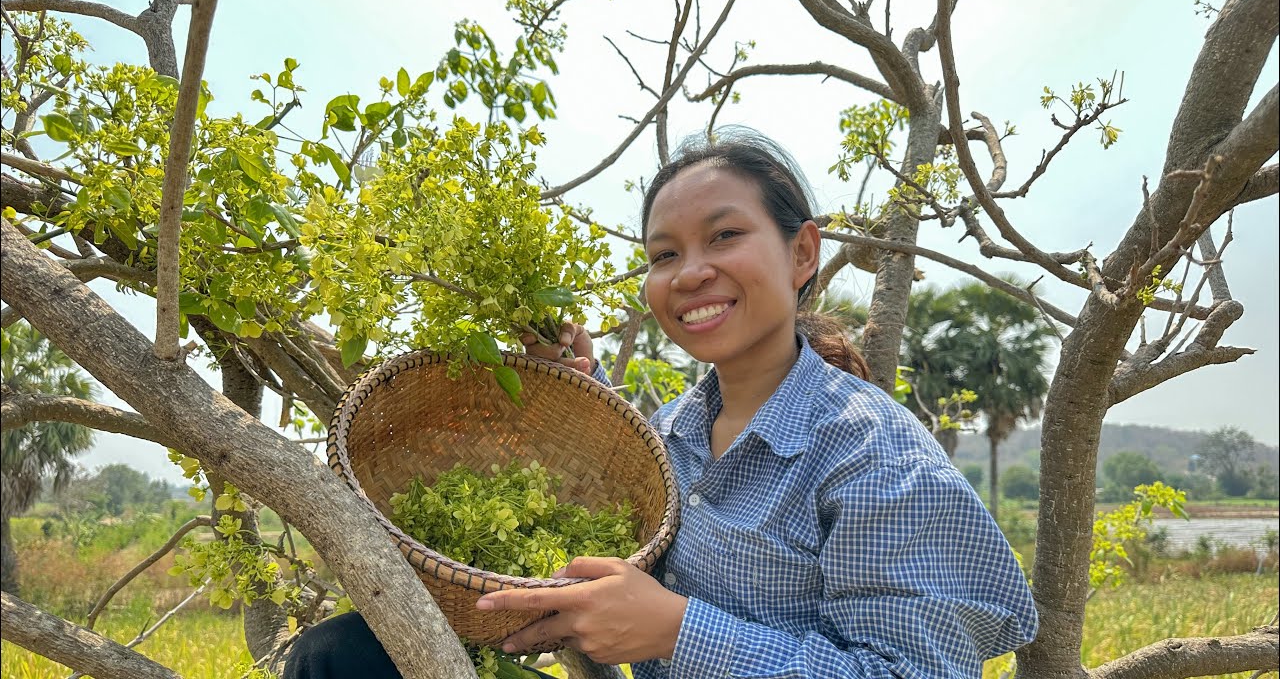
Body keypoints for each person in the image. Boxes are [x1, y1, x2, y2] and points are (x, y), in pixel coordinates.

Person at [285, 130, 1037, 678]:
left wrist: (678, 630)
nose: (690, 273)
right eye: (664, 255)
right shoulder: (675, 431)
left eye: (725, 236)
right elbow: (627, 492)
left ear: (802, 253)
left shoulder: (876, 456)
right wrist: (576, 387)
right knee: (338, 659)